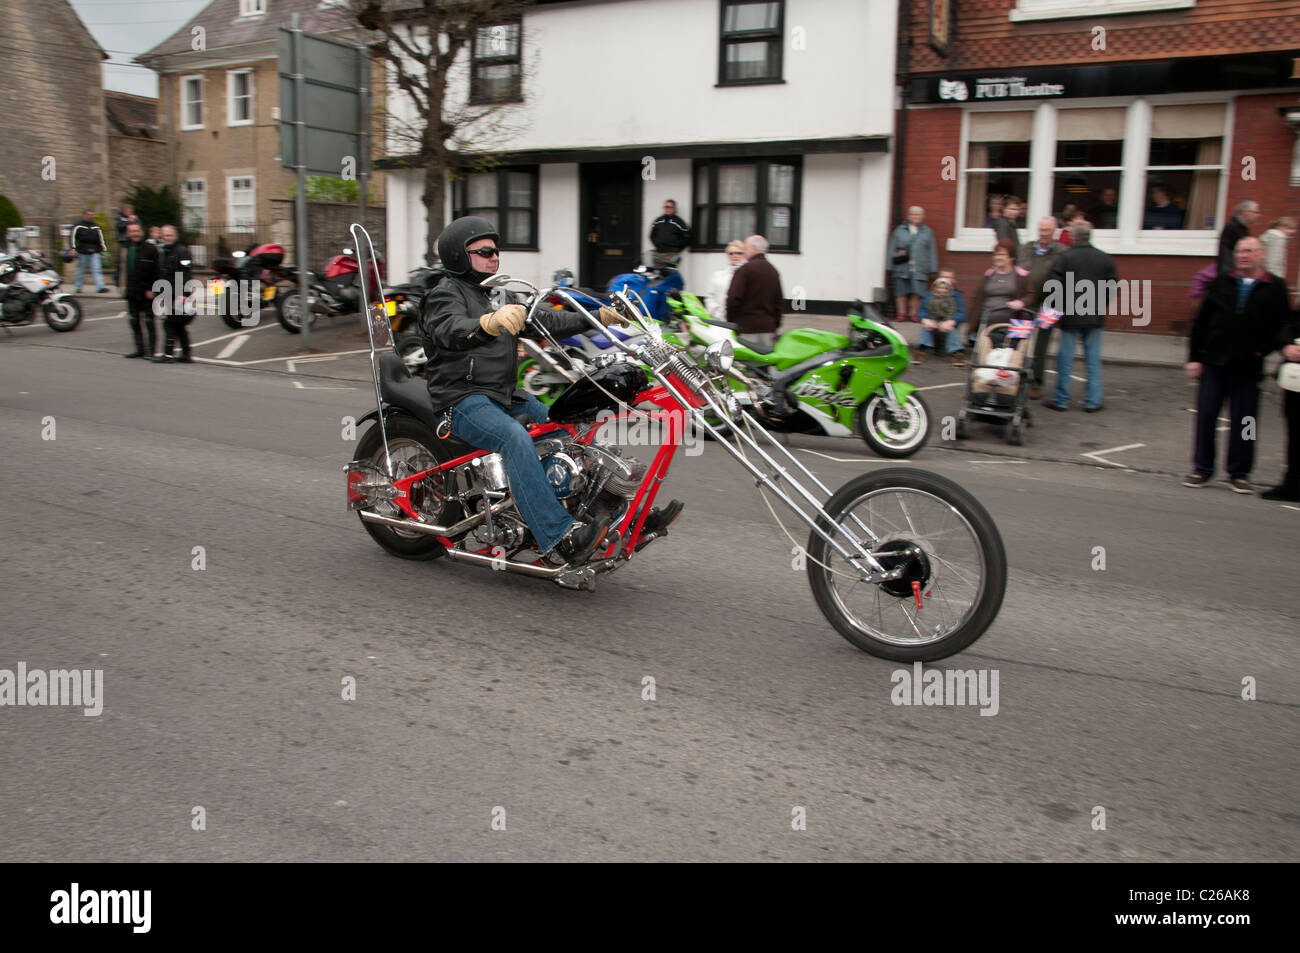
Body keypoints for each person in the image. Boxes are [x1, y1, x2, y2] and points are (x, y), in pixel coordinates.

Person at [422, 216, 658, 564]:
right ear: (459, 255)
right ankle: (558, 535)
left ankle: (614, 515)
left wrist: (598, 317)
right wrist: (485, 324)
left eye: (495, 250)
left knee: (570, 427)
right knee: (514, 438)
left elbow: (545, 320)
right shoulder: (443, 294)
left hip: (504, 395)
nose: (494, 257)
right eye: (484, 251)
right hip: (461, 399)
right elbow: (449, 328)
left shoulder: (497, 293)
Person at [1184, 236, 1290, 490]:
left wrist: (1264, 350)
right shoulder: (1222, 282)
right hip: (1214, 364)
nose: (1243, 255)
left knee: (1247, 423)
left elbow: (1282, 325)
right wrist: (1194, 358)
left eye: (1249, 251)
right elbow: (1201, 324)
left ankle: (1240, 473)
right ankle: (1202, 469)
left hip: (1248, 367)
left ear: (1261, 254)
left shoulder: (1275, 287)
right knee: (1206, 417)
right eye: (1240, 251)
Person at [1045, 222, 1116, 412]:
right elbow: (1113, 285)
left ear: (1073, 237)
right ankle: (1092, 401)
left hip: (1070, 316)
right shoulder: (1104, 258)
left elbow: (1054, 285)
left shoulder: (1065, 258)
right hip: (1094, 315)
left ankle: (1061, 400)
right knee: (1092, 359)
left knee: (1065, 360)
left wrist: (1055, 309)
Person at [1018, 217, 1067, 399]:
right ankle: (1016, 377)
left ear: (1054, 232)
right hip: (1027, 300)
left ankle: (1036, 383)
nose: (1044, 234)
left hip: (1050, 304)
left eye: (1048, 230)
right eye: (1042, 230)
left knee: (1041, 345)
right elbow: (1019, 270)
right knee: (1019, 338)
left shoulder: (1062, 252)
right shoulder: (1026, 248)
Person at [1259, 308, 1300, 501]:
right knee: (1295, 436)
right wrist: (1286, 347)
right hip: (1296, 382)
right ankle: (1292, 486)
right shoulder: (1296, 313)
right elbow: (1284, 329)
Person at [968, 239, 1033, 353]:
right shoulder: (989, 274)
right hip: (987, 323)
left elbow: (1031, 295)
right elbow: (977, 298)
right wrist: (972, 321)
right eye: (996, 254)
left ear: (1011, 257)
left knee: (1009, 359)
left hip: (1013, 323)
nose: (997, 257)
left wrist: (1021, 303)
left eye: (1001, 254)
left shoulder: (1021, 275)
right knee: (985, 358)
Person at [726, 234, 784, 350]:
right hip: (768, 328)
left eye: (746, 248)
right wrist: (775, 324)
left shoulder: (745, 270)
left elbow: (733, 299)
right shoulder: (773, 271)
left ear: (753, 248)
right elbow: (779, 302)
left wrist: (731, 321)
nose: (744, 251)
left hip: (747, 328)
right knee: (765, 363)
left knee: (746, 365)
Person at [886, 205, 937, 323]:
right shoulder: (900, 230)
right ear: (909, 216)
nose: (916, 216)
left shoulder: (927, 232)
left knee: (917, 292)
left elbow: (932, 251)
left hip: (920, 266)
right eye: (913, 214)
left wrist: (933, 268)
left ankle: (913, 314)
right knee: (900, 291)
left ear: (923, 217)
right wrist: (889, 266)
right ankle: (901, 313)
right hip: (901, 265)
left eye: (918, 214)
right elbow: (892, 248)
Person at [155, 224, 194, 363]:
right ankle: (186, 354)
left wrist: (184, 293)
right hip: (168, 292)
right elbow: (163, 274)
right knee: (178, 325)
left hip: (178, 294)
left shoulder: (183, 251)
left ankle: (168, 354)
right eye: (165, 235)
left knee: (170, 324)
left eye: (169, 235)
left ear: (175, 236)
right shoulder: (164, 251)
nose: (167, 238)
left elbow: (186, 272)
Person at [120, 222, 159, 359]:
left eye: (136, 230)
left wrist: (152, 289)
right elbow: (121, 269)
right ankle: (139, 349)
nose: (134, 233)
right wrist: (120, 286)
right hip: (131, 291)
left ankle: (151, 351)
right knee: (134, 322)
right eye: (131, 231)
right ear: (128, 233)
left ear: (141, 232)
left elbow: (156, 271)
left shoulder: (150, 248)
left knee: (149, 322)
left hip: (147, 292)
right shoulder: (125, 249)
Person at [915, 273, 967, 366]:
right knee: (926, 328)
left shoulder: (956, 296)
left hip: (948, 320)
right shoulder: (928, 296)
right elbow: (922, 310)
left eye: (945, 288)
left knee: (951, 329)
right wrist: (924, 320)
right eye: (940, 287)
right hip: (932, 319)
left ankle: (957, 353)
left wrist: (951, 321)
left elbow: (961, 313)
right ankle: (921, 350)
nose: (942, 290)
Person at [706, 240, 746, 321]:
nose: (734, 255)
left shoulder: (749, 274)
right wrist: (715, 310)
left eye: (739, 253)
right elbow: (710, 296)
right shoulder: (718, 275)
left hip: (741, 321)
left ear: (744, 254)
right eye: (731, 253)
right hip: (719, 320)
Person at [70, 209, 108, 293]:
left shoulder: (96, 226)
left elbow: (101, 239)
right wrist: (73, 248)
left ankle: (100, 287)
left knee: (97, 269)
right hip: (82, 251)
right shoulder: (78, 225)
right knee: (80, 270)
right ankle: (78, 287)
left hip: (94, 250)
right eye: (88, 214)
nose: (90, 216)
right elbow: (73, 237)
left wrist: (104, 250)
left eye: (92, 215)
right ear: (84, 215)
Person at [1217, 199, 1259, 274]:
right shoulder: (1234, 228)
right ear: (1245, 212)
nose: (1257, 215)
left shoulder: (1240, 228)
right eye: (1255, 212)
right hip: (1231, 273)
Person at [114, 204, 141, 286]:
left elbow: (139, 227)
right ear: (124, 211)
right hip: (123, 242)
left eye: (130, 211)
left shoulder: (135, 218)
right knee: (122, 262)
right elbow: (119, 227)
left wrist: (134, 220)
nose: (129, 212)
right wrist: (128, 221)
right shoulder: (119, 217)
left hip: (134, 243)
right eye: (127, 210)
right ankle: (117, 279)